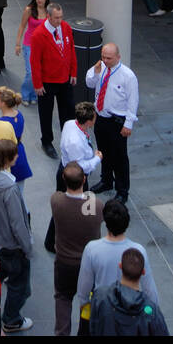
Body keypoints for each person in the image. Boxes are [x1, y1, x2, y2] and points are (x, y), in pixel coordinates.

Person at [76, 198, 159, 333]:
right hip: (131, 311)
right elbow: (150, 290)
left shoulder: (92, 249)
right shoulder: (138, 251)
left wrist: (84, 303)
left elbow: (84, 285)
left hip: (103, 310)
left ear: (106, 221)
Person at [0, 139, 33, 332]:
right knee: (21, 286)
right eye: (16, 155)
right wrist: (27, 247)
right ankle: (11, 320)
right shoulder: (10, 189)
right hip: (11, 245)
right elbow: (18, 223)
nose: (18, 156)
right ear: (9, 159)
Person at [50, 161, 104, 335]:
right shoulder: (97, 205)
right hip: (89, 265)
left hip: (64, 262)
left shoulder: (56, 201)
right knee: (87, 301)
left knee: (63, 298)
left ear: (64, 179)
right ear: (84, 180)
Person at [43, 100, 102, 253]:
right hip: (72, 176)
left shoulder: (70, 123)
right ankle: (53, 242)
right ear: (89, 121)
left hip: (67, 171)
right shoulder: (76, 142)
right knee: (74, 209)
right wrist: (97, 159)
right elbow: (80, 166)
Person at [87, 42, 139, 203]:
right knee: (103, 151)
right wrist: (95, 73)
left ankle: (123, 190)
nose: (105, 60)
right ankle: (106, 180)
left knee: (120, 157)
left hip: (117, 121)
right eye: (103, 57)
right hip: (101, 117)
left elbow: (133, 101)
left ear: (118, 57)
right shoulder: (100, 68)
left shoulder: (128, 76)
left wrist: (128, 124)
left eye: (109, 58)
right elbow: (89, 83)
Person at [30, 2, 77, 159]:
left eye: (61, 17)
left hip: (64, 79)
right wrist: (37, 84)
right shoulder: (38, 34)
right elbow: (34, 61)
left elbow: (71, 51)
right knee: (46, 113)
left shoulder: (66, 28)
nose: (60, 20)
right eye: (56, 18)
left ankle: (69, 139)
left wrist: (73, 72)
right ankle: (47, 142)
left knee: (68, 112)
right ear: (48, 16)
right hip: (47, 82)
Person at [89, 247, 169, 337]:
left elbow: (93, 328)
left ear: (120, 266)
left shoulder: (100, 296)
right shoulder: (152, 312)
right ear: (143, 272)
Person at [14, 0, 49, 105]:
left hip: (43, 46)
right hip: (29, 44)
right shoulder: (29, 9)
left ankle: (34, 94)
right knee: (31, 72)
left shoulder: (49, 11)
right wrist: (17, 44)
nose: (39, 0)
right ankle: (25, 94)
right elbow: (22, 26)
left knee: (39, 71)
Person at [0, 87, 32, 183]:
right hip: (19, 152)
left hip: (8, 157)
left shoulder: (1, 122)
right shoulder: (19, 115)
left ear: (3, 103)